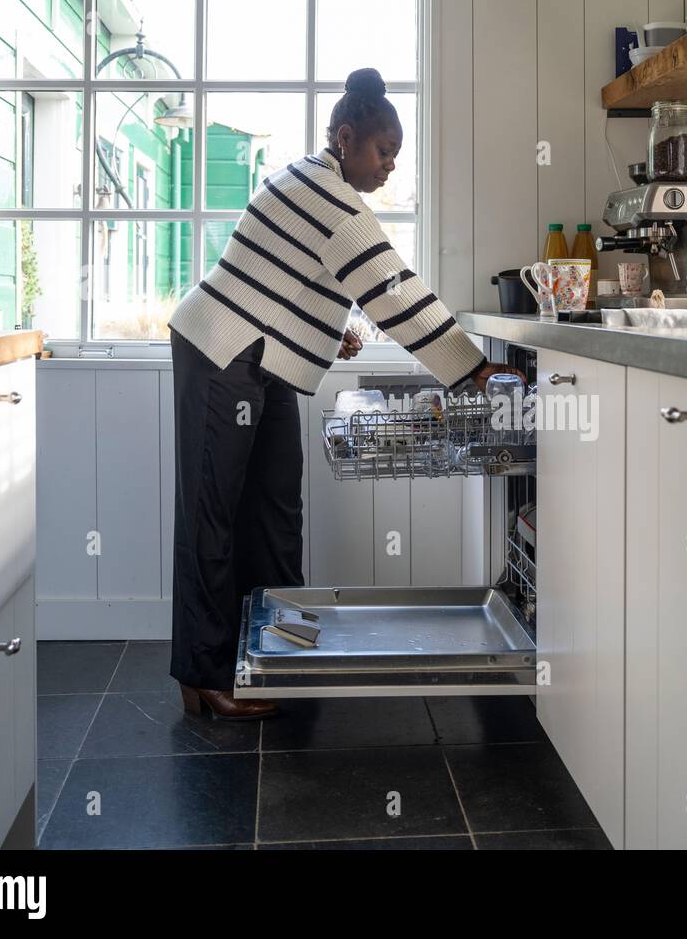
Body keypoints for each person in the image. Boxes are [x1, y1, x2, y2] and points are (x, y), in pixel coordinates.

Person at [166, 67, 523, 720]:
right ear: (348, 136)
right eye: (383, 152)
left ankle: (272, 648)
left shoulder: (311, 180)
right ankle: (205, 673)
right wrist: (471, 369)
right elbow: (392, 290)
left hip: (257, 357)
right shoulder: (330, 197)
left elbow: (292, 281)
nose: (390, 166)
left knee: (274, 508)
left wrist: (334, 331)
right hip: (221, 350)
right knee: (212, 512)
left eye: (397, 156)